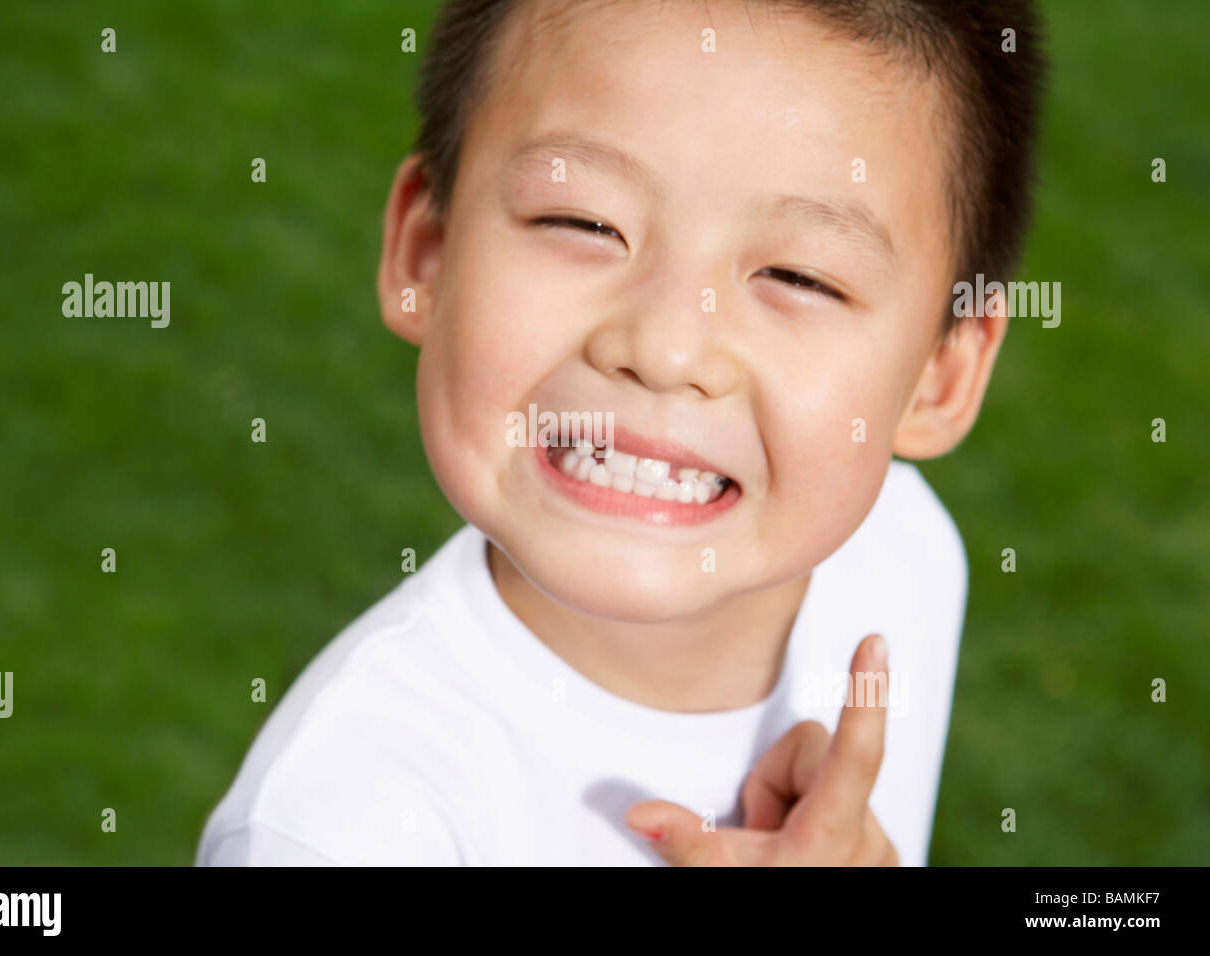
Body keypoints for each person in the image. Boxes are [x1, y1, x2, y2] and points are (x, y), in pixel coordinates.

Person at [198, 0, 1045, 866]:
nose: (667, 348)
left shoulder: (905, 558)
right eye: (586, 223)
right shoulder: (338, 830)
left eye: (799, 275)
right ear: (427, 253)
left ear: (940, 374)